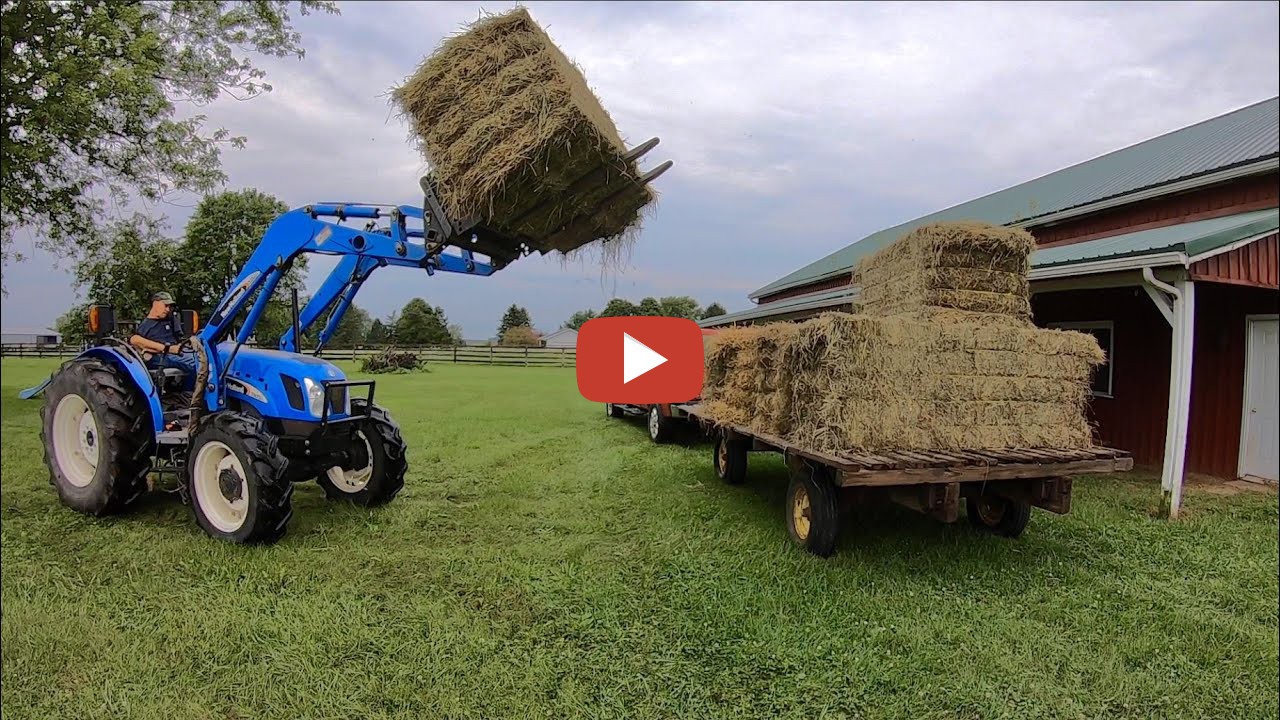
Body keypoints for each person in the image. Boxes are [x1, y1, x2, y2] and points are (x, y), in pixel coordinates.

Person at [130, 291, 197, 383]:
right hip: (160, 357)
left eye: (169, 307)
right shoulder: (145, 326)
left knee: (203, 358)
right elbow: (135, 340)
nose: (168, 309)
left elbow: (181, 338)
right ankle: (189, 393)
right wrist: (168, 349)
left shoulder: (171, 320)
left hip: (177, 353)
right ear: (155, 304)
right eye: (165, 306)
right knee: (196, 363)